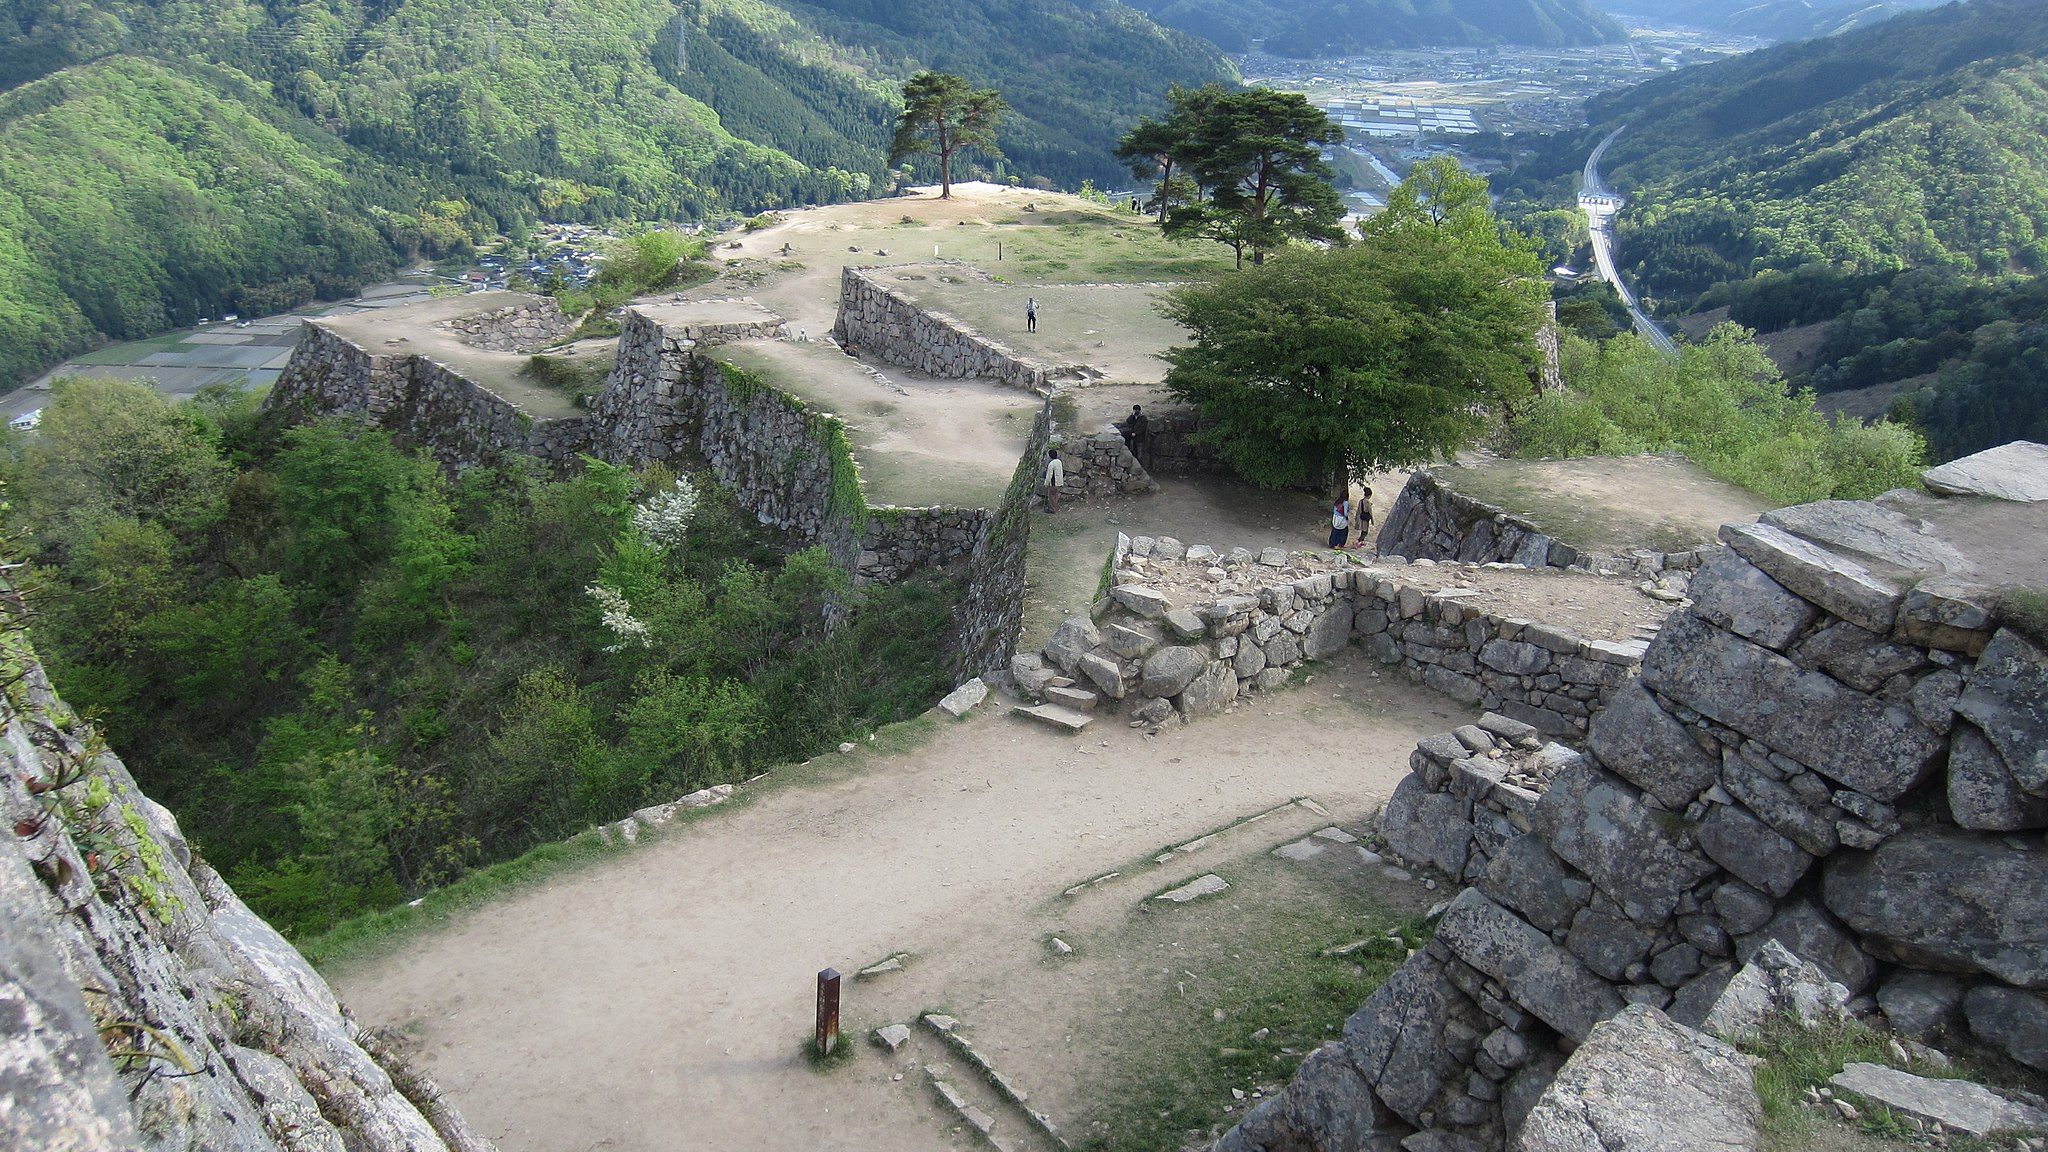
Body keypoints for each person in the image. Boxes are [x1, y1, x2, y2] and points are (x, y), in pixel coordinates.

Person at [1352, 485, 1375, 550]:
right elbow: (1370, 512)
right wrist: (1372, 521)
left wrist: (1356, 518)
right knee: (1365, 532)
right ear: (1369, 495)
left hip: (1361, 517)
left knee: (1362, 530)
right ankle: (1357, 541)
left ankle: (1361, 542)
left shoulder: (1361, 501)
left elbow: (1358, 510)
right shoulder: (1368, 502)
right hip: (1366, 518)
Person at [1042, 447, 1064, 513]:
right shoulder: (1059, 462)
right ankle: (1055, 507)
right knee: (1056, 495)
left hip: (1053, 483)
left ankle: (1053, 509)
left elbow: (1049, 475)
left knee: (1051, 496)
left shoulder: (1051, 464)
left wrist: (1046, 483)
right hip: (1059, 482)